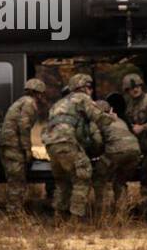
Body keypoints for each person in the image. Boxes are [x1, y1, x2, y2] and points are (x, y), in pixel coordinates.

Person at [42, 73, 114, 221]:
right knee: (83, 176)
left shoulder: (58, 103)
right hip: (67, 143)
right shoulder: (82, 98)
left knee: (62, 182)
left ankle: (58, 217)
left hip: (51, 145)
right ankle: (75, 219)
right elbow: (98, 117)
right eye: (90, 87)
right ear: (84, 87)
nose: (91, 91)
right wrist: (112, 118)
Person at [0, 78, 47, 211]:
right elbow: (24, 126)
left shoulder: (20, 101)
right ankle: (14, 213)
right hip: (14, 145)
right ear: (38, 93)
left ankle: (14, 209)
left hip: (8, 144)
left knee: (14, 179)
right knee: (17, 181)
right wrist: (27, 149)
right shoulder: (29, 103)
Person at [92, 100, 142, 218]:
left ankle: (102, 215)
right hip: (135, 152)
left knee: (100, 180)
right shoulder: (120, 120)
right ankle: (121, 214)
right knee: (120, 181)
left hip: (115, 152)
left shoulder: (99, 121)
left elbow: (97, 142)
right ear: (110, 110)